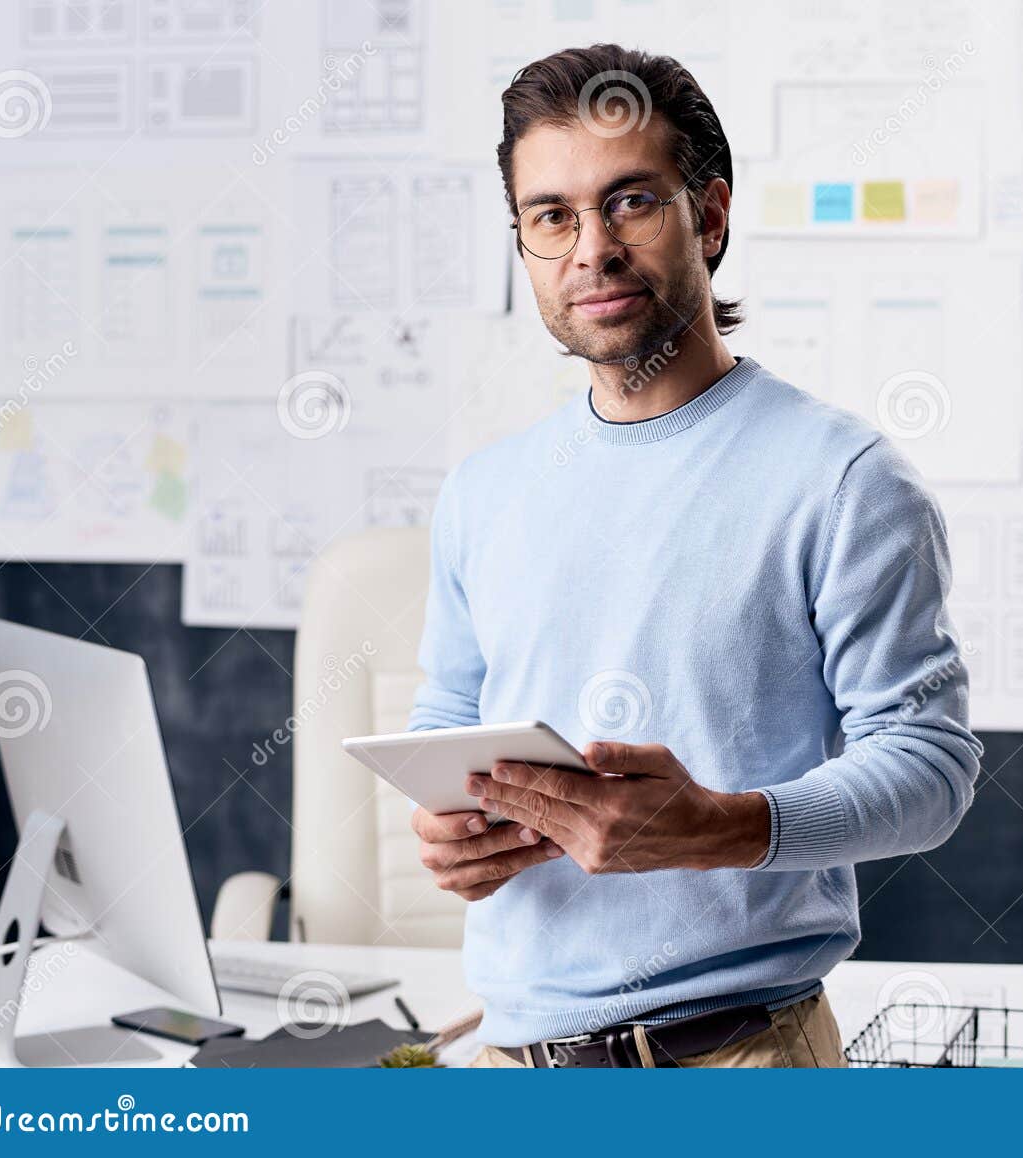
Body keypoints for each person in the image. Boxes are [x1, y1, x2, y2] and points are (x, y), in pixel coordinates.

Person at [407, 43, 981, 1069]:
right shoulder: (483, 491)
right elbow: (448, 721)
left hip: (734, 1061)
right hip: (502, 1062)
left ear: (708, 216)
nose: (590, 248)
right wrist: (454, 829)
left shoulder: (843, 480)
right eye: (551, 216)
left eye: (629, 201)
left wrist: (719, 827)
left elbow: (931, 770)